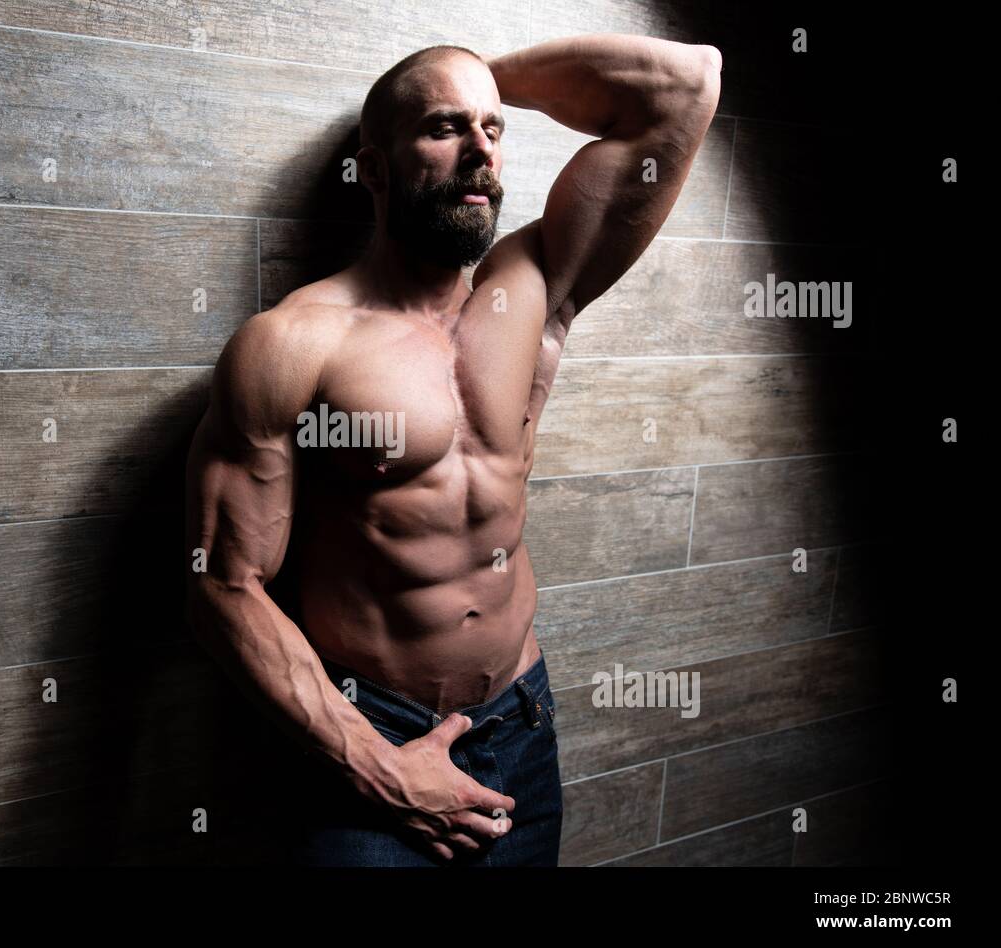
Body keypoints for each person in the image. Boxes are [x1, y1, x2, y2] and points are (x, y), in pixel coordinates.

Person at [184, 35, 722, 865]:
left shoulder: (533, 291)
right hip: (371, 742)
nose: (481, 152)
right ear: (373, 168)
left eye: (494, 130)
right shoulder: (293, 343)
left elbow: (686, 85)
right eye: (444, 128)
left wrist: (470, 76)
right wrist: (380, 767)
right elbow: (225, 586)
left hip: (521, 728)